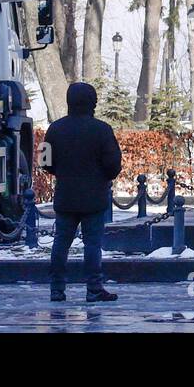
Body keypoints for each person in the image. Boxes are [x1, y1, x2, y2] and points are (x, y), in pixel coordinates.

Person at [41, 82, 122, 303]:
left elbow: (44, 161)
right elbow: (114, 164)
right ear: (92, 102)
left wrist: (61, 172)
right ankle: (94, 289)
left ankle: (57, 290)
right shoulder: (102, 129)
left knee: (60, 243)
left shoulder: (55, 129)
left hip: (65, 195)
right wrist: (103, 176)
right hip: (94, 197)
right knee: (93, 244)